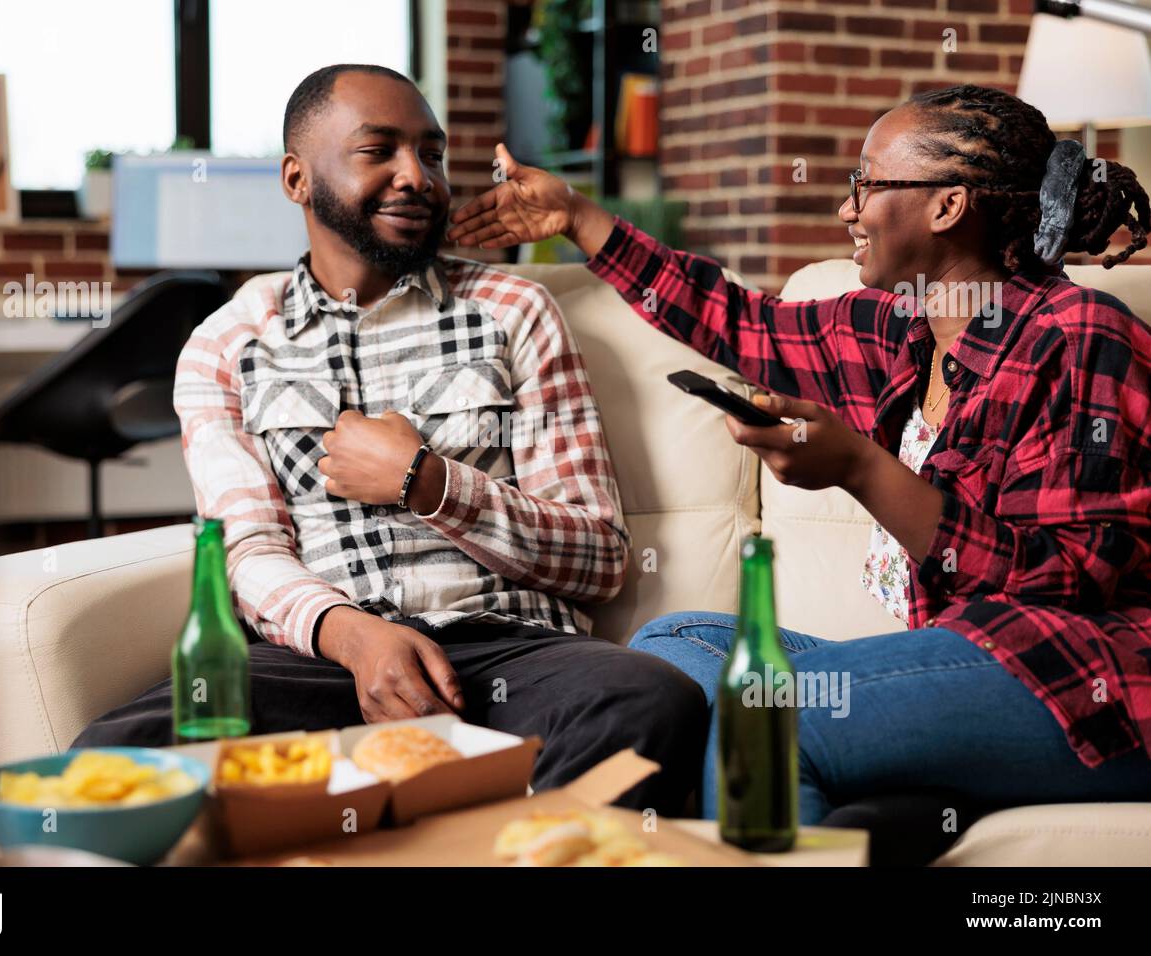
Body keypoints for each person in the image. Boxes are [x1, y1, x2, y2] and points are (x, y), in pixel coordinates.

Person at [448, 84, 1151, 824]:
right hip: (965, 659)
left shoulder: (1077, 336)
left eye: (868, 183)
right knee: (677, 646)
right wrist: (580, 220)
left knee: (769, 712)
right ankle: (885, 792)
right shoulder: (899, 328)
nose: (848, 209)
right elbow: (737, 322)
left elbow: (1064, 585)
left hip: (1083, 682)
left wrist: (859, 469)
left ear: (948, 206)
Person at [72, 64, 706, 815]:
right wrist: (357, 639)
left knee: (647, 700)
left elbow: (599, 556)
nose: (418, 177)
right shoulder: (230, 343)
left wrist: (429, 483)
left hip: (511, 649)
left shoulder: (514, 311)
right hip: (324, 659)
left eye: (431, 155)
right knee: (110, 763)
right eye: (381, 151)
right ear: (298, 179)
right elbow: (247, 550)